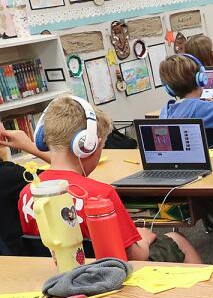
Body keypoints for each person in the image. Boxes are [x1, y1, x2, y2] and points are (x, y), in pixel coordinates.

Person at [9, 96, 200, 263]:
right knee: (177, 239)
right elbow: (137, 256)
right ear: (88, 146)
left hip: (60, 276)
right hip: (111, 276)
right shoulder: (102, 195)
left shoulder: (28, 192)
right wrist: (143, 238)